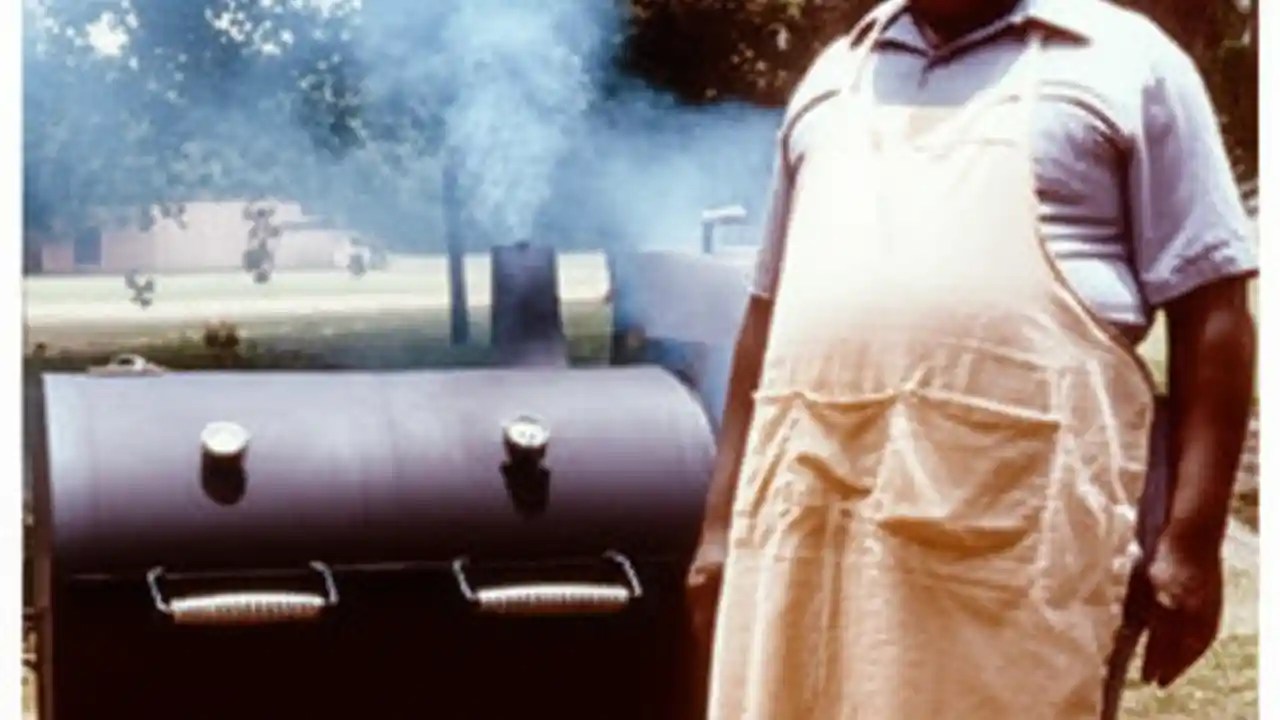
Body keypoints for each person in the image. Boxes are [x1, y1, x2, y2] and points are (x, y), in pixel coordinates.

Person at [685, 0, 1257, 717]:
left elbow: (1215, 313)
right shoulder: (833, 80)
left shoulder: (1127, 64)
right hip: (816, 532)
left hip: (1016, 546)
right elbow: (766, 318)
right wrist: (718, 529)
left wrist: (1193, 543)